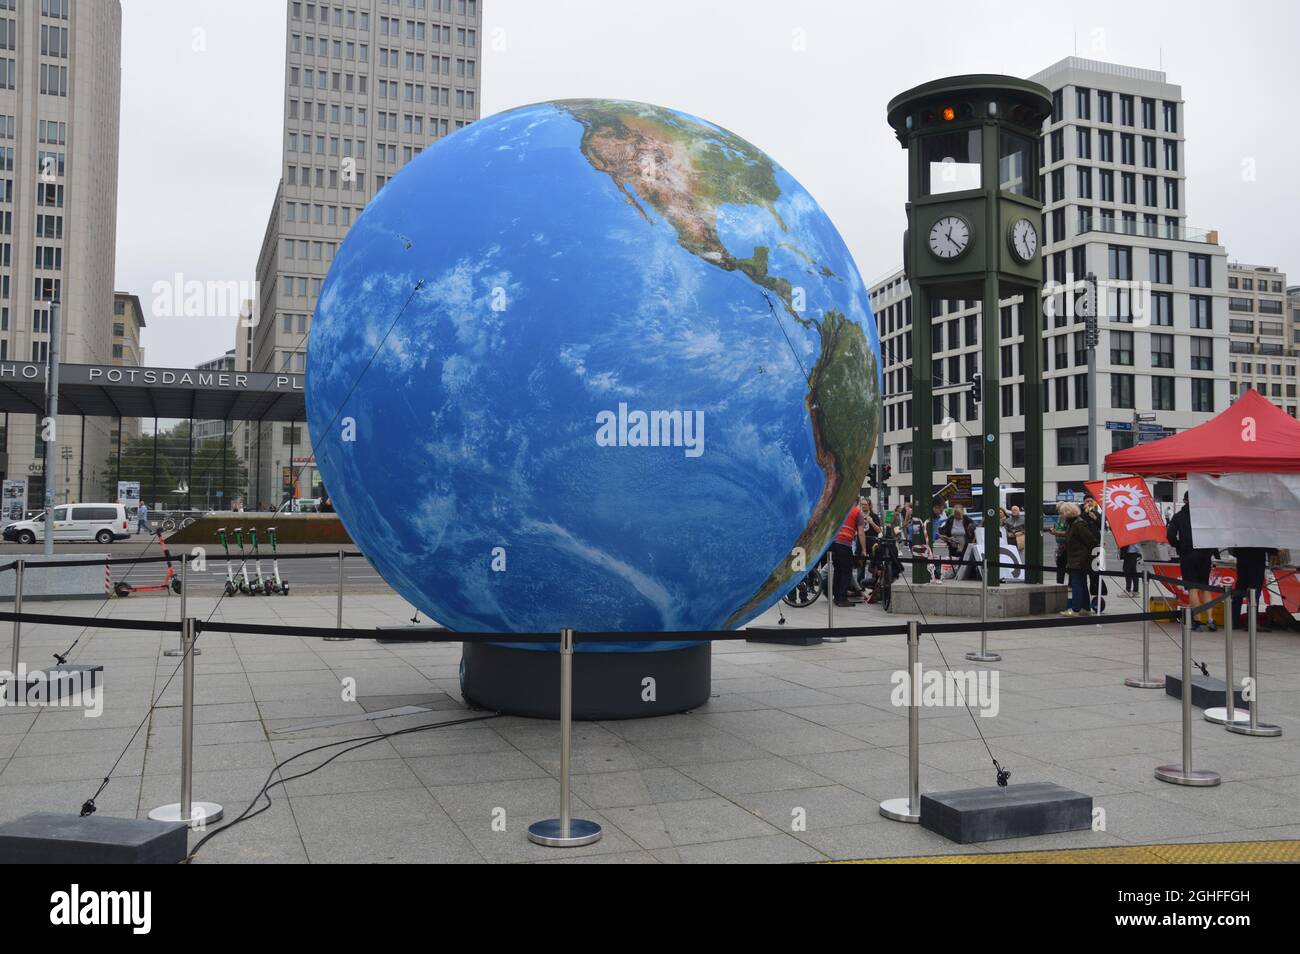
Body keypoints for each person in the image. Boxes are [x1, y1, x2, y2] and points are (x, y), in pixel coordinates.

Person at [1165, 492, 1219, 631]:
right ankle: (1211, 620)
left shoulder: (1178, 516)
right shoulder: (1206, 516)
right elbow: (1214, 534)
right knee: (1205, 587)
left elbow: (1170, 535)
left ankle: (1198, 621)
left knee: (1193, 589)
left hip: (1188, 554)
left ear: (1185, 501)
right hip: (1205, 554)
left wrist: (1178, 545)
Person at [1060, 503, 1098, 616]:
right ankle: (1085, 608)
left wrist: (1089, 555)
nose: (1061, 515)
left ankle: (1076, 609)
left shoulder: (1079, 524)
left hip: (1080, 559)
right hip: (1077, 558)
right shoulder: (1073, 524)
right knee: (1081, 583)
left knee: (1077, 583)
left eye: (1062, 512)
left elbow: (1091, 540)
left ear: (1067, 513)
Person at [831, 501, 867, 607]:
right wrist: (864, 549)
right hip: (845, 544)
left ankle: (836, 596)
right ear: (856, 502)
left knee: (837, 570)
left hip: (834, 543)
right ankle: (842, 598)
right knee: (847, 571)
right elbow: (861, 532)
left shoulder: (839, 510)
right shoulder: (857, 512)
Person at [1231, 546, 1274, 631]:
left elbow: (1234, 548)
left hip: (1242, 558)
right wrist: (1276, 551)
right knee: (1254, 591)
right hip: (1256, 560)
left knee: (1240, 589)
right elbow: (1267, 543)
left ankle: (1233, 620)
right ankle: (1252, 622)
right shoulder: (1260, 532)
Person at [940, 504, 977, 573]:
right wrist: (947, 537)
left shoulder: (966, 518)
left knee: (963, 558)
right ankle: (954, 572)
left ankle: (961, 573)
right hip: (953, 543)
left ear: (962, 513)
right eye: (956, 515)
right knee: (954, 559)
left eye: (959, 515)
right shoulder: (951, 519)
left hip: (965, 543)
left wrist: (971, 527)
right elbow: (944, 529)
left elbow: (974, 525)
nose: (958, 517)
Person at [925, 501, 948, 581]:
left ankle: (938, 574)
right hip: (928, 543)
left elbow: (935, 532)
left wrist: (942, 536)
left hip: (935, 541)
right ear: (935, 508)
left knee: (941, 552)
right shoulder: (930, 518)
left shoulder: (938, 518)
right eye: (941, 510)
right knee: (936, 558)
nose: (942, 512)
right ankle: (936, 575)